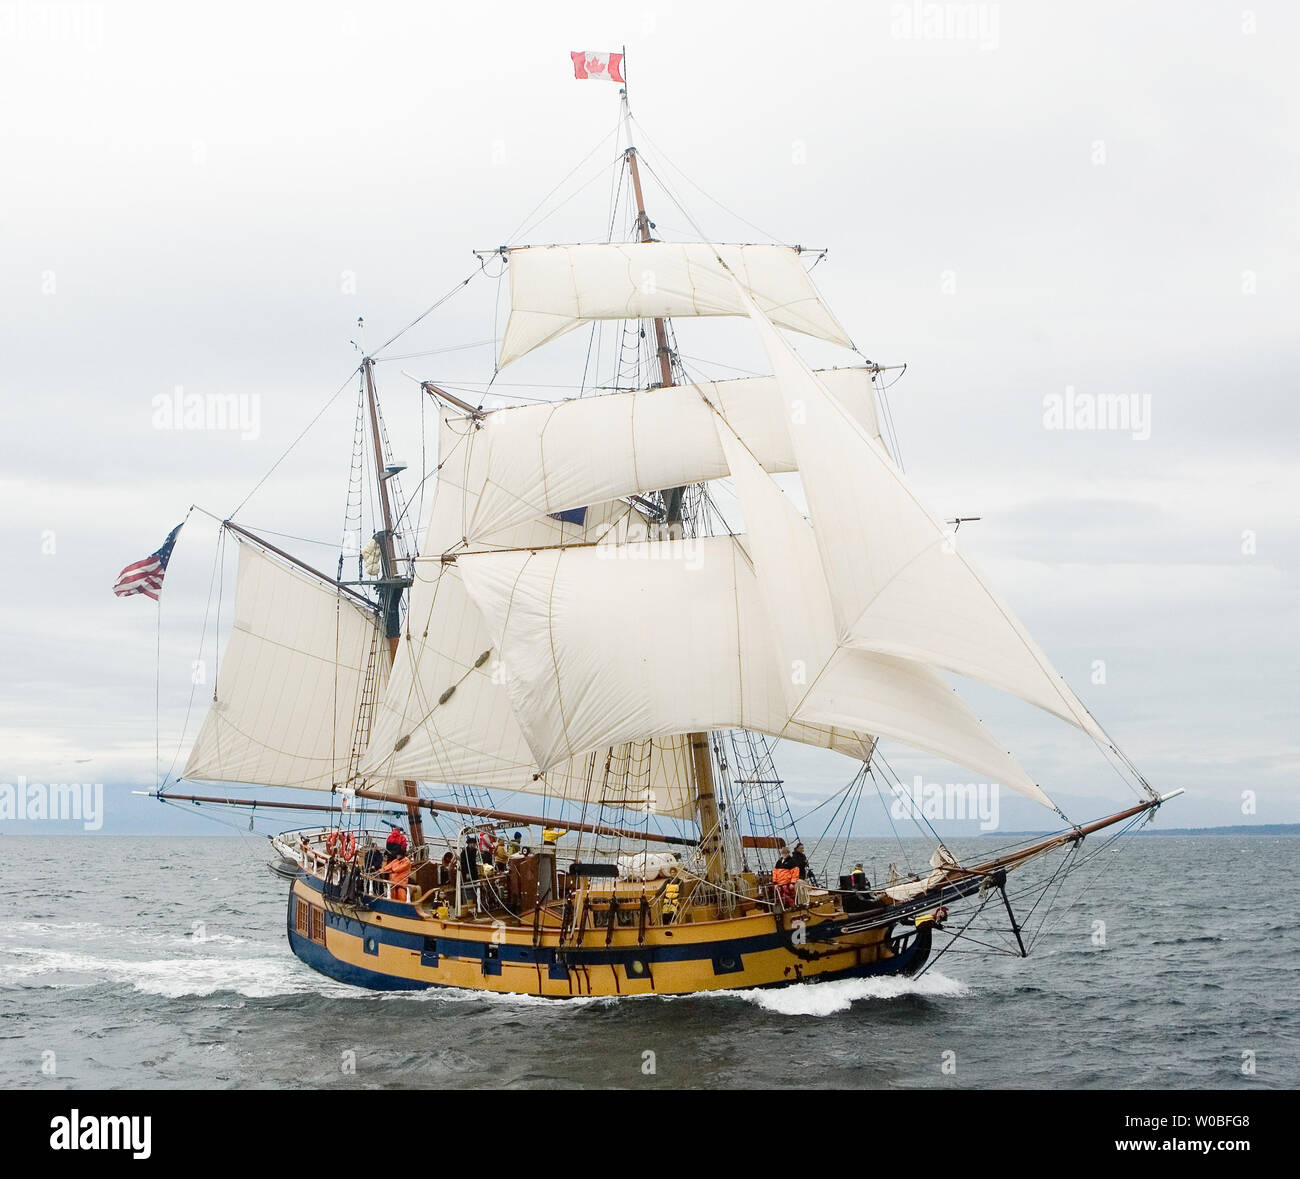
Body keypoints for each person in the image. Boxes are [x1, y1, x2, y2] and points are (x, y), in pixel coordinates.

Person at [378, 835, 412, 902]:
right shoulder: (396, 860)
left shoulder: (407, 862)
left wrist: (392, 869)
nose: (396, 856)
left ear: (402, 855)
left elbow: (397, 869)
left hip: (401, 884)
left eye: (398, 855)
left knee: (402, 896)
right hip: (393, 883)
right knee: (392, 896)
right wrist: (380, 871)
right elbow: (388, 866)